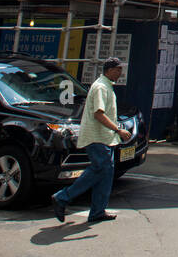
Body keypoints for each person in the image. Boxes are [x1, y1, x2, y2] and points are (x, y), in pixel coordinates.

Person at [52, 57, 133, 225]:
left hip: (106, 137)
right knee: (100, 169)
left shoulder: (106, 86)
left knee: (106, 173)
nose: (120, 73)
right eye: (118, 69)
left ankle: (97, 211)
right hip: (97, 137)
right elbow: (99, 113)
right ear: (109, 70)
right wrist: (118, 129)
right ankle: (62, 197)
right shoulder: (101, 87)